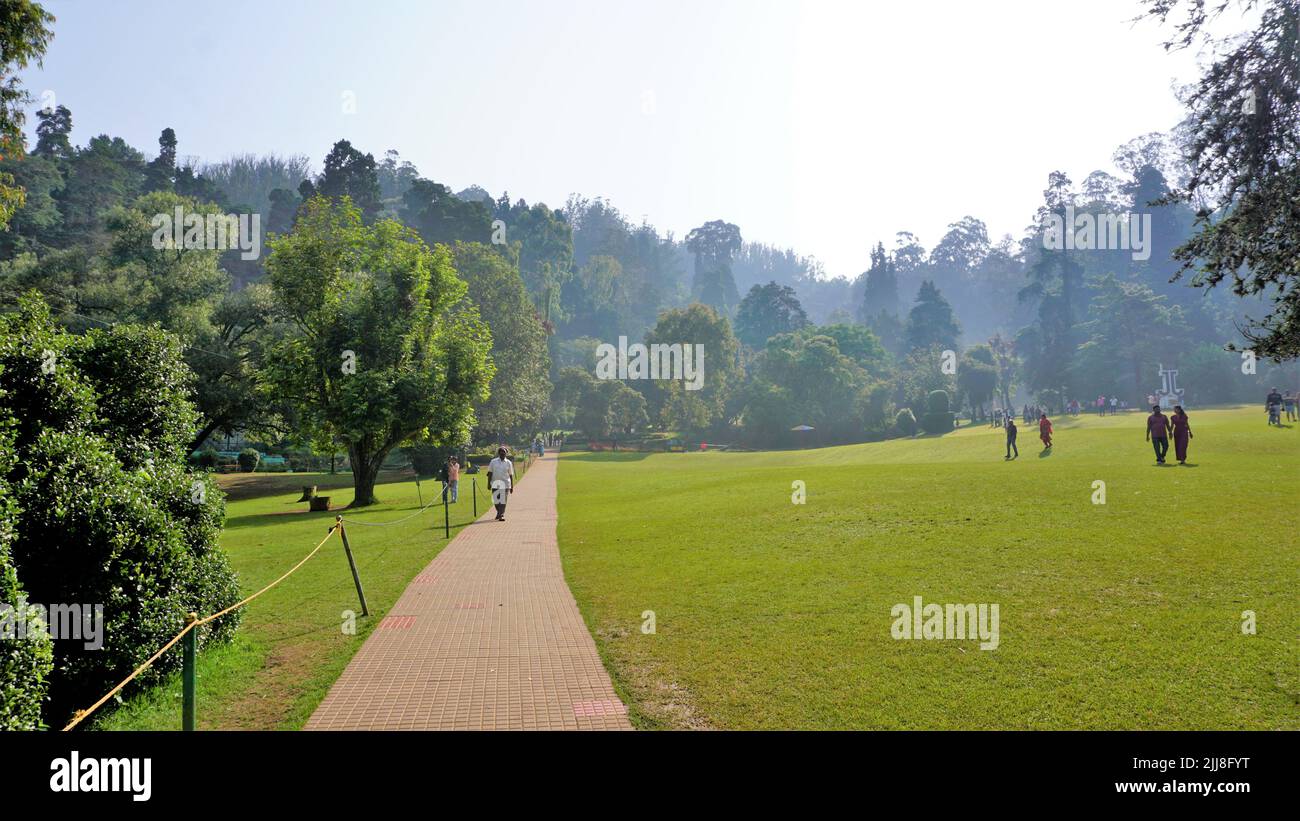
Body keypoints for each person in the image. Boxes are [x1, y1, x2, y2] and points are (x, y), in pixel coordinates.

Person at [486, 447, 514, 521]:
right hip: (495, 484)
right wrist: (488, 484)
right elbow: (490, 473)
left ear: (506, 453)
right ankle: (499, 512)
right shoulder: (493, 462)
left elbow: (511, 475)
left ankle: (501, 515)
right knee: (496, 501)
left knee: (502, 500)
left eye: (504, 452)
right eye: (501, 452)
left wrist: (512, 486)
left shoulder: (508, 463)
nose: (502, 453)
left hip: (505, 484)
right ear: (498, 453)